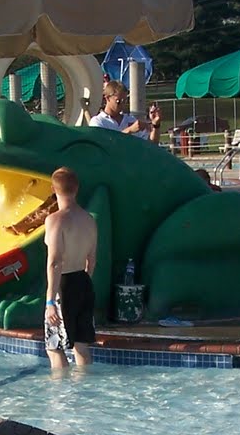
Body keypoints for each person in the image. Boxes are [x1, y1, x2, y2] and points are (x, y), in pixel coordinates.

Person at [42, 166, 98, 372]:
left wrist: (50, 301)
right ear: (77, 188)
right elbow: (91, 260)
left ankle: (61, 398)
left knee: (55, 348)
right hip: (83, 282)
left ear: (52, 189)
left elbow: (55, 262)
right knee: (81, 345)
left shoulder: (56, 220)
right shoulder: (89, 219)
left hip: (62, 285)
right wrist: (84, 282)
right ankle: (83, 392)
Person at [88, 79, 162, 142]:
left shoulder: (130, 120)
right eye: (118, 101)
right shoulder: (98, 122)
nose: (122, 105)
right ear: (107, 98)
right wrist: (129, 131)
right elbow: (105, 144)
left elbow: (151, 144)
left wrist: (156, 125)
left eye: (125, 101)